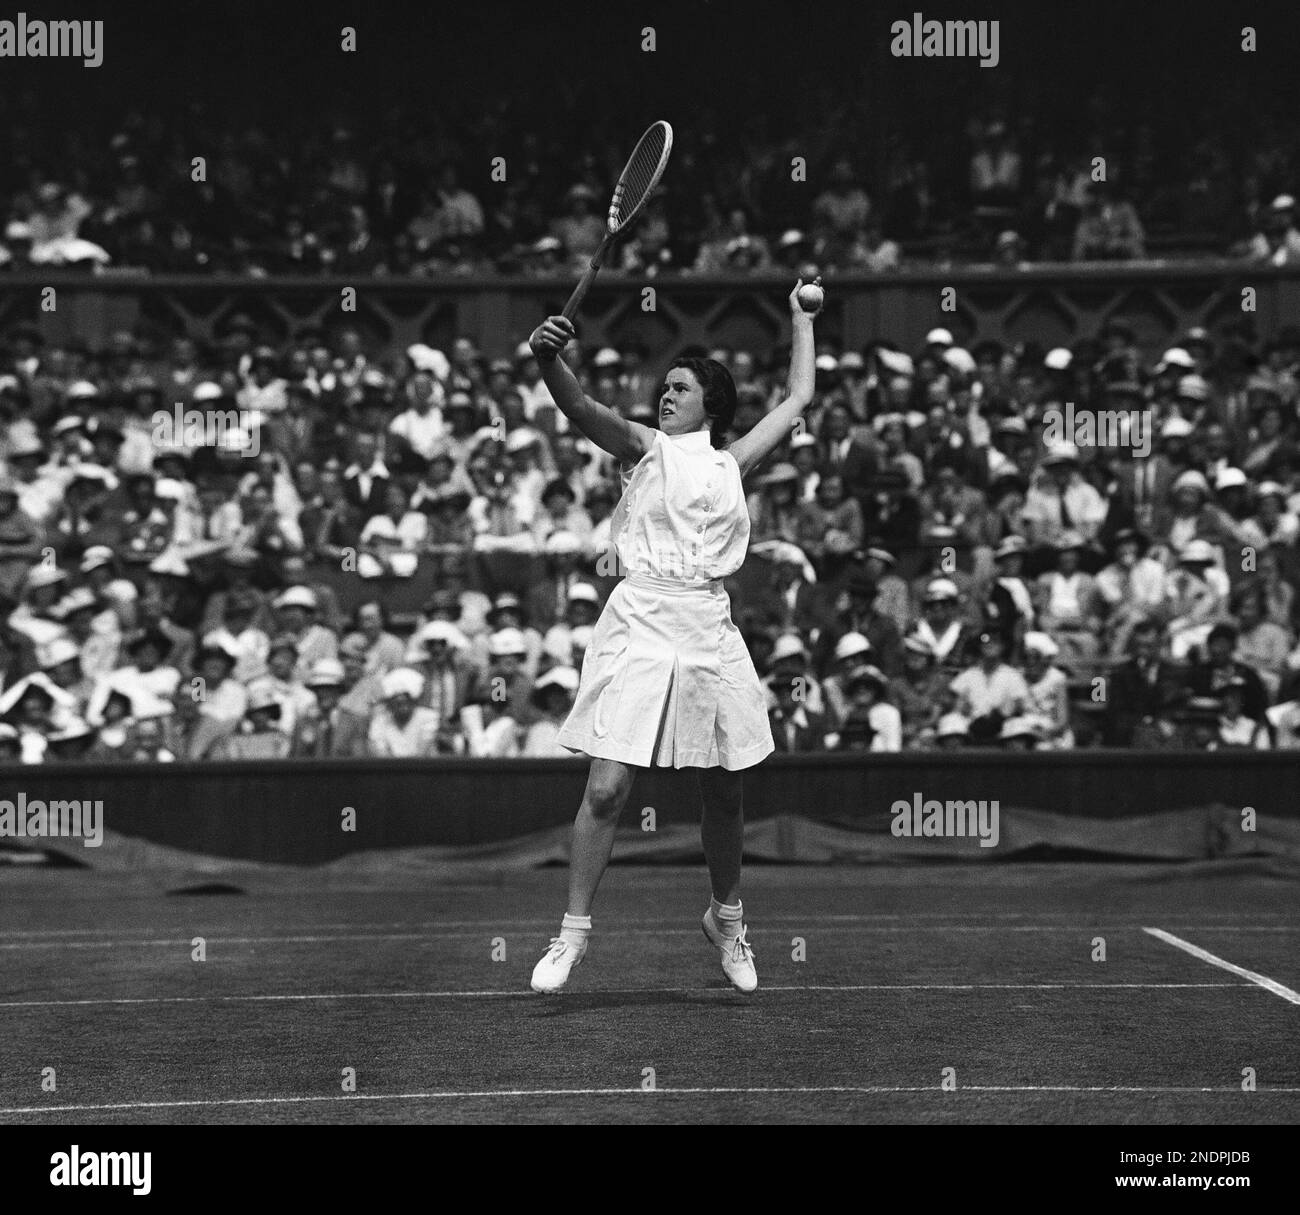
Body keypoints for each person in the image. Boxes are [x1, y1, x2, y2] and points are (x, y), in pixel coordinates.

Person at [525, 278, 820, 995]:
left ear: (710, 405)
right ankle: (571, 935)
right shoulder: (645, 446)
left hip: (707, 625)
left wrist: (800, 316)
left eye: (681, 388)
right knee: (607, 786)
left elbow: (798, 399)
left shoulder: (732, 460)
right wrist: (548, 362)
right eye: (665, 385)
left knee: (724, 790)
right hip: (641, 620)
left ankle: (727, 917)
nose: (666, 394)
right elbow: (580, 406)